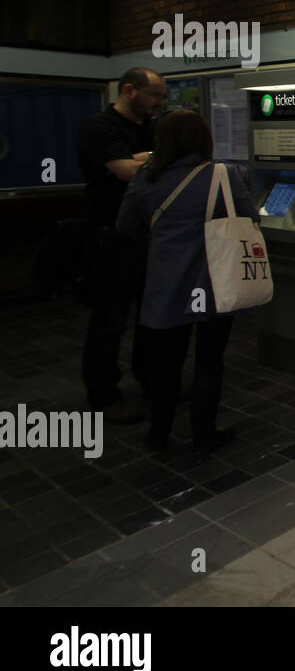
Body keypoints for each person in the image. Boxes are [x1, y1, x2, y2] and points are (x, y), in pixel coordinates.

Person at [117, 110, 254, 456]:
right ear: (202, 139)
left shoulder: (145, 178)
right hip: (213, 282)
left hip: (165, 283)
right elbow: (248, 217)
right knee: (209, 361)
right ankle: (204, 432)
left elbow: (126, 227)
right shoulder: (221, 175)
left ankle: (158, 433)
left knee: (165, 363)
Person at [76, 67, 165, 421]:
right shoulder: (99, 128)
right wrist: (149, 160)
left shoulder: (148, 128)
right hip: (112, 236)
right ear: (129, 90)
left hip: (147, 234)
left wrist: (144, 159)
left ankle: (150, 379)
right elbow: (125, 171)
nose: (159, 102)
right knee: (110, 318)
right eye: (154, 95)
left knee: (150, 312)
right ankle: (103, 394)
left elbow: (148, 165)